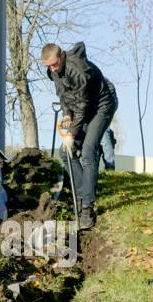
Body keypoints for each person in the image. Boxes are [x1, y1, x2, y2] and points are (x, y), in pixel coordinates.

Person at [43, 42, 118, 229]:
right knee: (65, 153)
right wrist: (67, 114)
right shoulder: (54, 72)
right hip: (82, 108)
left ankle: (87, 208)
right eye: (48, 66)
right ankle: (81, 195)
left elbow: (83, 105)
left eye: (54, 64)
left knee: (88, 151)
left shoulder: (79, 71)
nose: (52, 69)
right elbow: (64, 96)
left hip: (102, 105)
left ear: (61, 56)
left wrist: (72, 133)